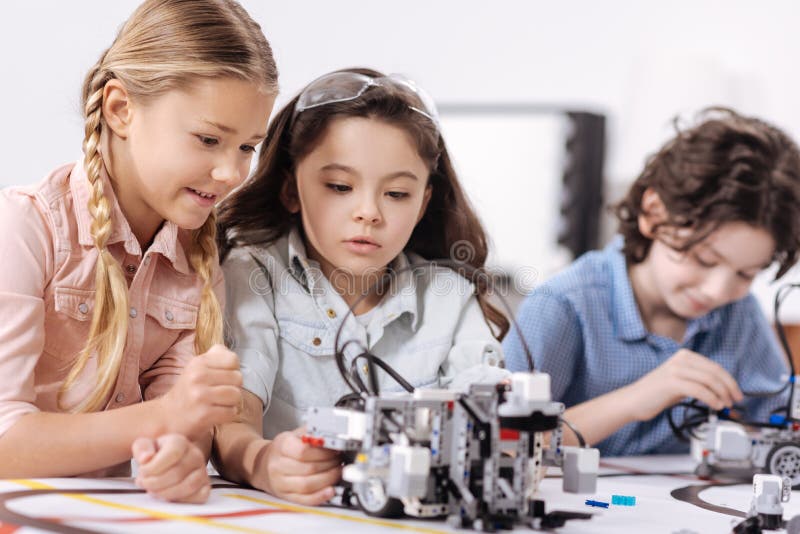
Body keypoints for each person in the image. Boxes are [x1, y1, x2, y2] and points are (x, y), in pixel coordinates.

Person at [0, 0, 277, 503]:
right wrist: (165, 418)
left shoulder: (197, 258)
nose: (232, 173)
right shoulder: (24, 227)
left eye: (246, 147)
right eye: (209, 138)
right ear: (121, 109)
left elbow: (182, 422)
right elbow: (3, 441)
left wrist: (178, 458)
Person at [213, 67, 509, 504]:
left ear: (424, 201)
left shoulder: (451, 296)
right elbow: (234, 415)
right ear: (290, 188)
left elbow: (492, 408)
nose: (368, 212)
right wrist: (262, 462)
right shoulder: (251, 273)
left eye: (397, 194)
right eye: (339, 186)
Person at [503, 108, 800, 457]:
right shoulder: (563, 305)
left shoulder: (737, 312)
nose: (717, 291)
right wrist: (633, 401)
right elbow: (505, 441)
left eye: (746, 273)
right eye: (704, 259)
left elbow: (782, 419)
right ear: (654, 213)